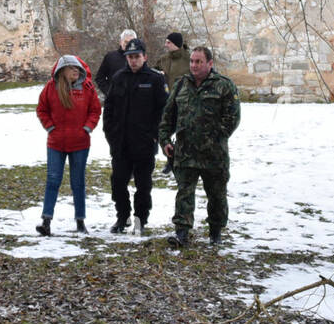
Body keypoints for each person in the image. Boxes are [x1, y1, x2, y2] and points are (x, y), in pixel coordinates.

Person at [157, 45, 240, 247]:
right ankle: (182, 233)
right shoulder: (181, 85)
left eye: (198, 62)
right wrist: (165, 141)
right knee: (184, 193)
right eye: (192, 61)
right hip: (185, 152)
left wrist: (215, 137)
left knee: (217, 195)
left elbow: (233, 118)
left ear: (209, 64)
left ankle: (215, 232)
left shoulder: (224, 85)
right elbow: (167, 117)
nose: (193, 65)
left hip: (214, 153)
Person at [102, 38, 168, 235]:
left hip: (144, 143)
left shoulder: (155, 79)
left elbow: (163, 111)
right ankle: (122, 218)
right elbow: (109, 109)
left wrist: (155, 136)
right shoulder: (119, 77)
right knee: (118, 183)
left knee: (143, 186)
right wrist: (110, 134)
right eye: (129, 57)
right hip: (121, 143)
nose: (133, 60)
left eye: (136, 56)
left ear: (144, 57)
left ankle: (140, 220)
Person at [35, 55, 100, 236]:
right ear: (62, 70)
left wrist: (87, 128)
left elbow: (95, 110)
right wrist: (50, 127)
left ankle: (80, 222)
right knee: (53, 180)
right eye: (72, 68)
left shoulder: (87, 88)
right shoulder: (51, 88)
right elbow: (42, 109)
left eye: (78, 68)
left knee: (78, 182)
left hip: (80, 143)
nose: (76, 71)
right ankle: (46, 221)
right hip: (56, 143)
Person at [95, 29, 137, 99]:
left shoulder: (139, 58)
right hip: (115, 102)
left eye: (131, 42)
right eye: (126, 42)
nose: (129, 45)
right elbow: (99, 77)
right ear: (120, 42)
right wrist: (109, 92)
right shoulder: (110, 57)